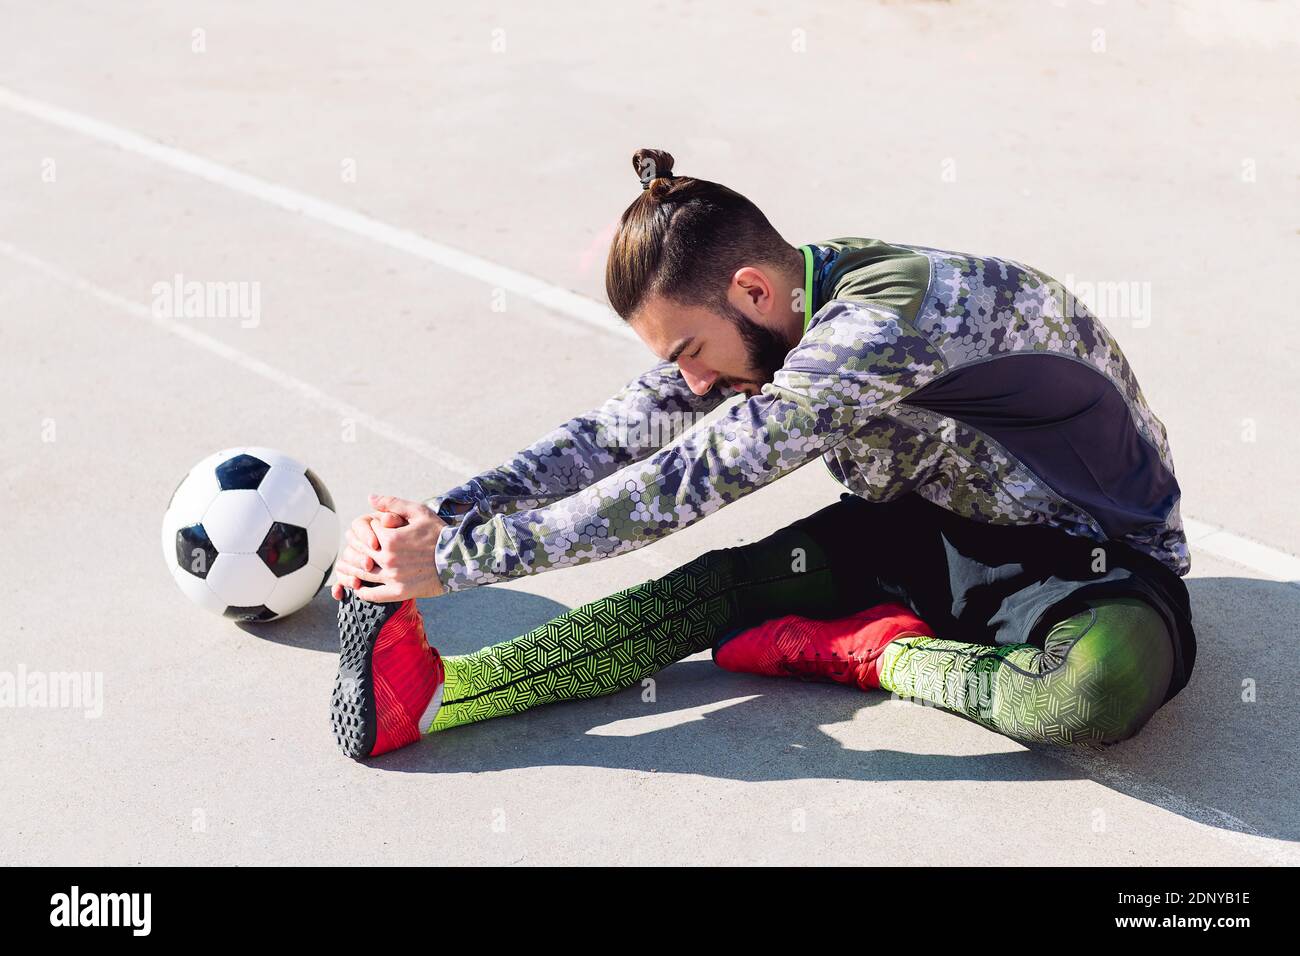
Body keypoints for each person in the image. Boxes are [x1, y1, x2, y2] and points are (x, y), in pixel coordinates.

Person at [328, 148, 1195, 760]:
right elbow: (618, 433)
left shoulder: (878, 330)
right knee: (715, 591)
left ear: (751, 290)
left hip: (1092, 559)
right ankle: (445, 694)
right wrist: (445, 515)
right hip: (926, 527)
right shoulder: (779, 304)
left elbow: (687, 483)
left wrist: (459, 561)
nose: (692, 384)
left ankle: (877, 652)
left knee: (1096, 690)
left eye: (689, 353)